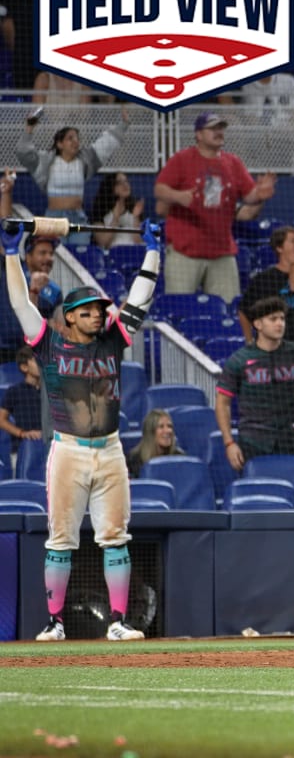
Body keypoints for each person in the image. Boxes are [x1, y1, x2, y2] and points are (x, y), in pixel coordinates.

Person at [7, 218, 161, 642]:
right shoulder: (49, 343)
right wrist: (9, 255)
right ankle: (54, 622)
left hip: (110, 450)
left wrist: (153, 253)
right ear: (70, 317)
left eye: (99, 310)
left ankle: (117, 621)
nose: (98, 315)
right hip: (68, 450)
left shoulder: (113, 340)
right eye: (88, 311)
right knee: (61, 539)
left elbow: (140, 301)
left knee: (115, 538)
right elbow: (21, 303)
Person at [153, 112, 277, 302]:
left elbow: (249, 196)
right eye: (213, 128)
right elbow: (159, 189)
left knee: (229, 306)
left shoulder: (233, 163)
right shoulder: (182, 159)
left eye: (220, 128)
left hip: (221, 252)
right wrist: (179, 196)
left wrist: (260, 195)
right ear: (199, 134)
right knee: (179, 307)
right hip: (184, 251)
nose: (219, 132)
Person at [215, 297, 294, 470]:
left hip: (291, 438)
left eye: (282, 318)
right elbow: (222, 402)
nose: (280, 324)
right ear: (258, 324)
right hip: (253, 441)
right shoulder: (239, 360)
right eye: (273, 319)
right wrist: (229, 443)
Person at [18, 106, 129, 240]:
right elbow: (24, 154)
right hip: (54, 219)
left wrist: (123, 125)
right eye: (70, 138)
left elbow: (105, 145)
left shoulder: (86, 160)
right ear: (59, 144)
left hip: (78, 219)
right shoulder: (46, 162)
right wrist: (29, 129)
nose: (75, 141)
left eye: (77, 138)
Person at [86, 173, 143, 251]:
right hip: (112, 256)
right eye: (119, 182)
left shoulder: (134, 210)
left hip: (134, 254)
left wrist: (136, 217)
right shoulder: (100, 213)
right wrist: (115, 218)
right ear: (111, 187)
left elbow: (139, 242)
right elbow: (103, 242)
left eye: (126, 181)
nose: (125, 185)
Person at [126, 408, 185, 477]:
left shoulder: (179, 457)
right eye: (161, 426)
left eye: (169, 426)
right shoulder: (134, 460)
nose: (168, 431)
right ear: (150, 432)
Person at [0, 345, 41, 442]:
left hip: (51, 445)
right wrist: (22, 433)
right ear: (24, 367)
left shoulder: (50, 390)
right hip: (24, 447)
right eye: (37, 361)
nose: (42, 364)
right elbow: (1, 420)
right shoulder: (15, 391)